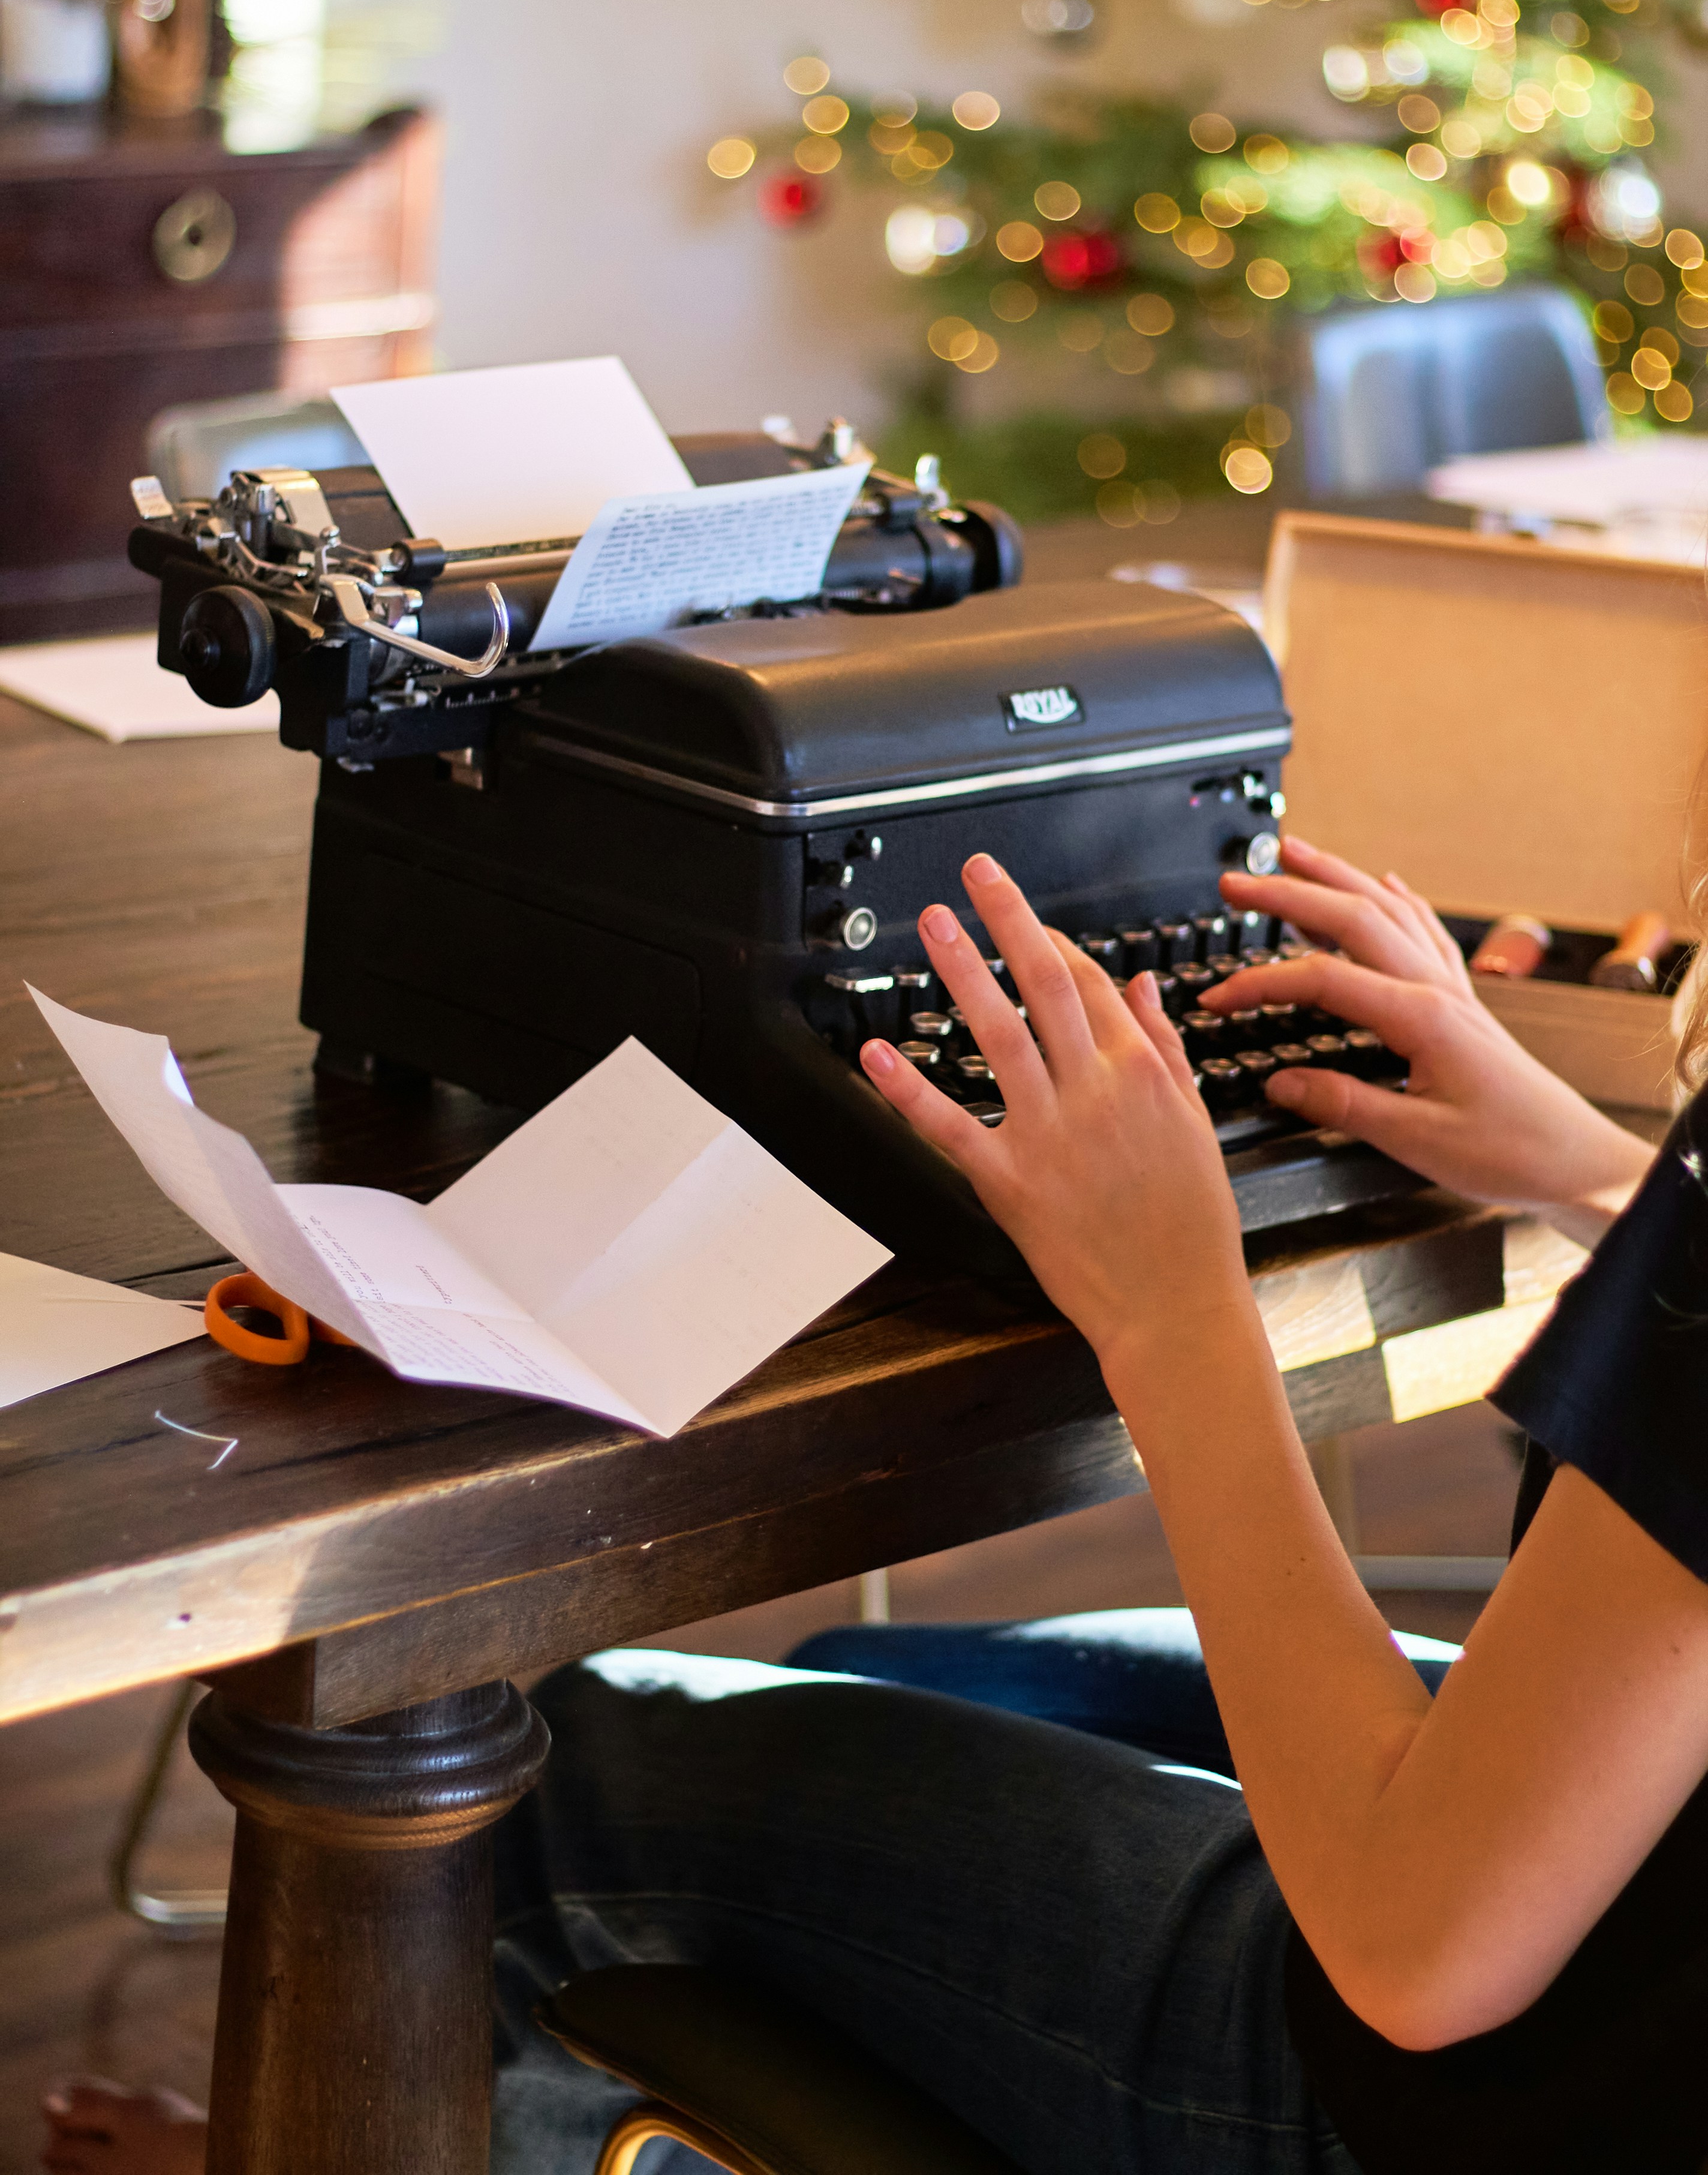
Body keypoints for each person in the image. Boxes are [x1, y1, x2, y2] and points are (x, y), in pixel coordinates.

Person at [41, 838, 1708, 2175]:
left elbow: (1422, 1960)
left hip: (1466, 2097)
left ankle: (342, 2130)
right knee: (922, 1677)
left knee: (555, 1795)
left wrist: (1173, 1315)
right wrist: (1606, 1178)